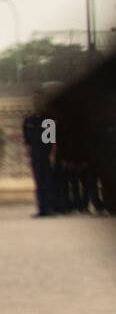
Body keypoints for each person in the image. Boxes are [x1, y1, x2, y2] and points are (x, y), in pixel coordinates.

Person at [21, 87, 56, 218]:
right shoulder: (29, 120)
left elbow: (52, 141)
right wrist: (29, 154)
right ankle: (41, 208)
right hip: (35, 155)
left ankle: (50, 207)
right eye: (34, 100)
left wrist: (52, 155)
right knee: (38, 181)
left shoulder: (48, 120)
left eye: (38, 99)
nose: (36, 102)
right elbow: (27, 141)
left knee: (48, 181)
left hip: (46, 155)